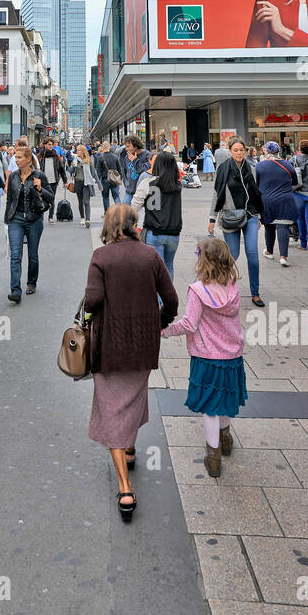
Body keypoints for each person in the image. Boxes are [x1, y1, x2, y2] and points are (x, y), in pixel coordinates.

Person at [84, 204, 177, 520]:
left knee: (111, 408)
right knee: (134, 399)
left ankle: (125, 488)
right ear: (136, 226)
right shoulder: (150, 255)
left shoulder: (101, 257)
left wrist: (86, 315)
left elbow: (94, 300)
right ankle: (131, 446)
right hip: (141, 344)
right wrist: (159, 323)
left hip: (109, 344)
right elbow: (172, 300)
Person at [161, 238, 246, 478]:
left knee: (210, 407)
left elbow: (189, 323)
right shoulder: (232, 285)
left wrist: (165, 331)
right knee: (227, 397)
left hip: (207, 356)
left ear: (202, 261)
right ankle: (226, 436)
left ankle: (213, 455)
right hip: (231, 354)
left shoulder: (198, 290)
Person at [208, 136, 264, 307]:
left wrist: (259, 215)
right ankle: (221, 288)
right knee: (232, 255)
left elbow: (256, 192)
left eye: (242, 150)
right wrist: (212, 218)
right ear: (230, 151)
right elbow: (217, 194)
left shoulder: (252, 169)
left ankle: (255, 293)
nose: (239, 153)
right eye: (236, 150)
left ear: (245, 151)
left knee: (252, 253)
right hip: (229, 216)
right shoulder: (223, 169)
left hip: (250, 215)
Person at [4, 146, 53, 301]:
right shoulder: (13, 177)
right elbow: (10, 199)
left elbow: (50, 196)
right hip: (16, 219)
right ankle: (16, 290)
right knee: (15, 255)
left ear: (28, 159)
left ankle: (31, 282)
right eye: (15, 157)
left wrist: (40, 188)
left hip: (34, 219)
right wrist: (7, 219)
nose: (16, 160)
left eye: (19, 157)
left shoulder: (39, 176)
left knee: (32, 255)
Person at [131, 149, 182, 278]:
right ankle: (168, 296)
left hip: (154, 231)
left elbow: (134, 206)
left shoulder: (148, 183)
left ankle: (159, 298)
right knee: (169, 266)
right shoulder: (177, 186)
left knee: (157, 271)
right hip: (174, 232)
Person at [255, 140, 300, 266]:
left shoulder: (259, 166)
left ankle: (269, 252)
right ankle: (283, 257)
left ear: (267, 152)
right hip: (285, 200)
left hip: (267, 201)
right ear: (278, 151)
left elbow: (256, 184)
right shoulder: (287, 165)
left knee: (269, 226)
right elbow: (295, 182)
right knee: (283, 226)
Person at [38, 138, 66, 222]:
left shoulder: (55, 155)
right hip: (43, 182)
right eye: (49, 144)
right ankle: (41, 215)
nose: (51, 146)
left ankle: (50, 216)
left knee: (52, 198)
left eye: (52, 144)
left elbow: (61, 169)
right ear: (45, 145)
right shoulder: (40, 155)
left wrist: (65, 181)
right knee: (41, 198)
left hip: (54, 181)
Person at [118, 135, 150, 205]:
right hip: (130, 192)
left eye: (128, 146)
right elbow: (125, 171)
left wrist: (135, 160)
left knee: (140, 214)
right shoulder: (127, 156)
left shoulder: (147, 155)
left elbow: (146, 171)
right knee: (125, 212)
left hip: (142, 192)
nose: (126, 149)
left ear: (135, 146)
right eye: (126, 146)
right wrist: (127, 184)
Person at [72, 145, 97, 227]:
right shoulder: (75, 160)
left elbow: (93, 173)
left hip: (86, 183)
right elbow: (70, 171)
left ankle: (88, 220)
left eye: (79, 150)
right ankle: (82, 217)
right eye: (77, 150)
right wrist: (72, 167)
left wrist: (99, 185)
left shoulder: (88, 161)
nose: (77, 152)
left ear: (83, 151)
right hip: (78, 182)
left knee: (86, 201)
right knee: (80, 201)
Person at [95, 140, 122, 211]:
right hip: (114, 180)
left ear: (102, 148)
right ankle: (119, 212)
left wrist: (98, 182)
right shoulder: (115, 157)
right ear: (109, 147)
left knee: (105, 197)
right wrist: (120, 179)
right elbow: (119, 169)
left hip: (105, 180)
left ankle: (107, 213)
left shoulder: (100, 158)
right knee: (116, 197)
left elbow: (98, 171)